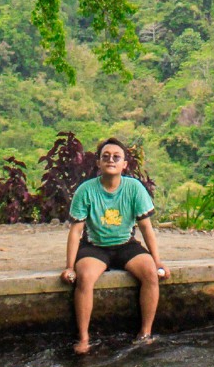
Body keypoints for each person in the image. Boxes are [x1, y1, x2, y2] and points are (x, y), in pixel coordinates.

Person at [60, 137, 170, 353]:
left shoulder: (134, 188)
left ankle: (145, 333)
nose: (111, 160)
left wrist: (157, 261)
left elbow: (146, 228)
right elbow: (76, 232)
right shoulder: (86, 190)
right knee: (85, 277)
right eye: (106, 156)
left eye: (116, 157)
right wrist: (70, 267)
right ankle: (84, 338)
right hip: (94, 246)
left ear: (124, 164)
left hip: (125, 244)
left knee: (150, 273)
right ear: (98, 163)